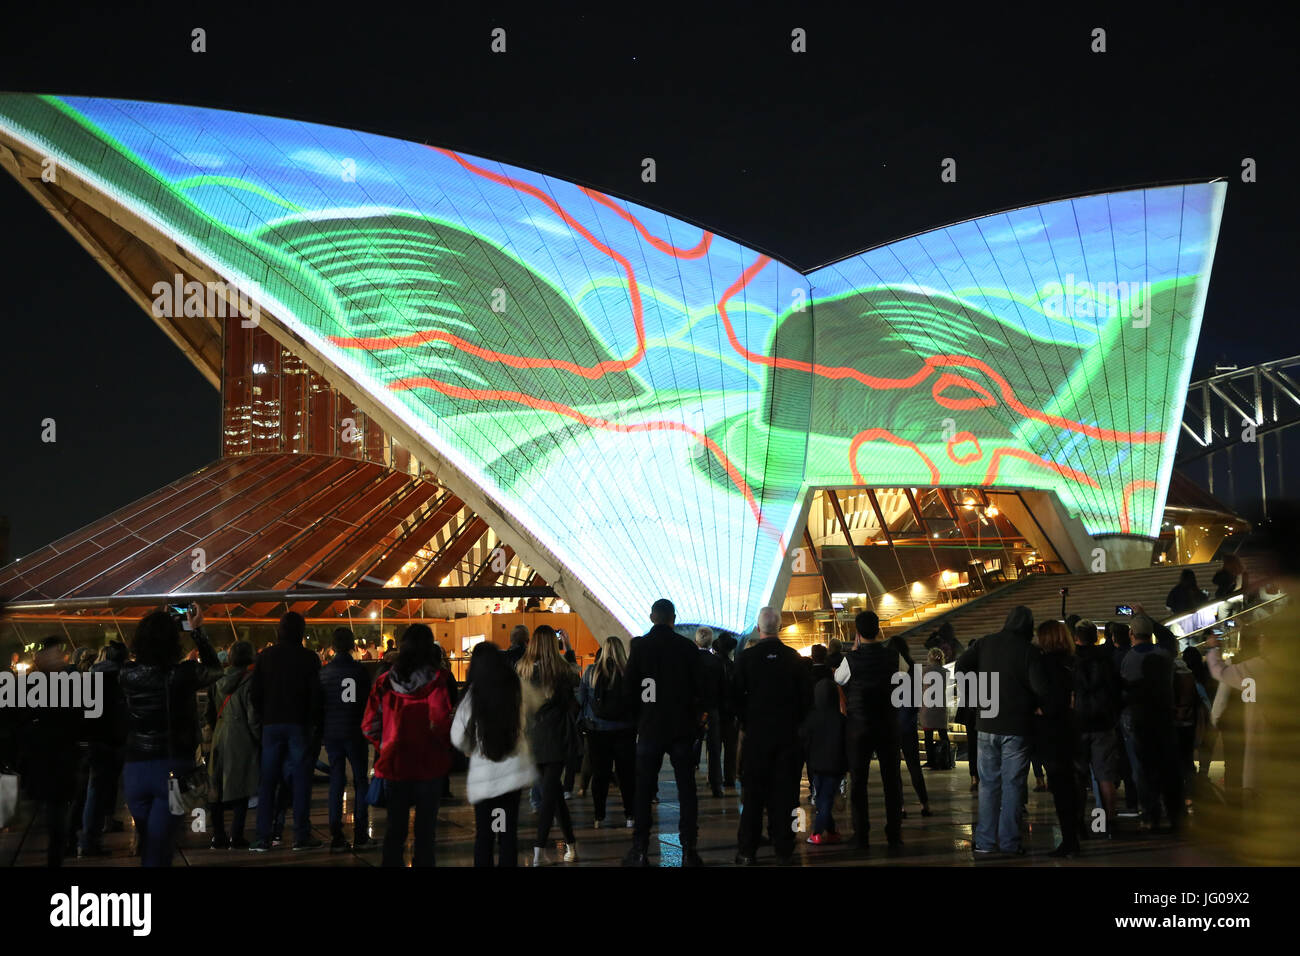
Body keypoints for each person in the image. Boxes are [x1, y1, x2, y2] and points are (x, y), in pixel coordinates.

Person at [118, 607, 222, 866]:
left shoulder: (126, 675)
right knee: (159, 849)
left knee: (151, 844)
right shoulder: (183, 674)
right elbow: (215, 669)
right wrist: (197, 631)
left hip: (135, 770)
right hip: (174, 770)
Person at [622, 598, 706, 867]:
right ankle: (689, 849)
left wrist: (639, 718)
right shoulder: (687, 648)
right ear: (674, 618)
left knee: (644, 789)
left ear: (651, 617)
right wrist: (696, 719)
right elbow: (699, 689)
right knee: (686, 789)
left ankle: (640, 847)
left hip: (649, 727)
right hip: (681, 728)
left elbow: (629, 690)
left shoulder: (640, 647)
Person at [363, 624, 454, 866]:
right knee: (425, 835)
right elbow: (442, 722)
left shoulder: (384, 682)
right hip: (429, 766)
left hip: (395, 764)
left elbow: (368, 724)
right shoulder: (437, 681)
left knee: (394, 832)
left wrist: (385, 744)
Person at [731, 607, 813, 864]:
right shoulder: (794, 658)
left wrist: (746, 722)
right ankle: (784, 846)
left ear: (759, 628)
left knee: (753, 795)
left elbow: (734, 697)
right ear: (779, 627)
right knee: (786, 794)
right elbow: (807, 701)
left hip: (757, 737)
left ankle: (747, 849)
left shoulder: (746, 659)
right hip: (788, 737)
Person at [956, 606, 1039, 856]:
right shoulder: (1029, 651)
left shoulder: (986, 643)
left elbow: (961, 665)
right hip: (1016, 725)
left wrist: (975, 694)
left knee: (988, 784)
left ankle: (984, 841)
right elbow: (1039, 686)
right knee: (1013, 785)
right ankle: (1009, 842)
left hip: (987, 723)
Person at [452, 642, 537, 866]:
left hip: (485, 776)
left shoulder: (473, 693)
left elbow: (457, 734)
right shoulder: (517, 685)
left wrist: (471, 749)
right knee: (508, 835)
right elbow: (536, 706)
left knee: (485, 835)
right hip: (513, 773)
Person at [249, 612, 323, 852]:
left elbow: (255, 693)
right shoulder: (309, 658)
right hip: (298, 724)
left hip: (271, 724)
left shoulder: (265, 657)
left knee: (268, 782)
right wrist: (313, 721)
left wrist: (264, 715)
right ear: (301, 632)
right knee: (301, 781)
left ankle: (262, 837)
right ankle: (301, 835)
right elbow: (315, 695)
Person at [834, 610, 905, 852]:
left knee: (859, 782)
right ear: (879, 630)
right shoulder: (893, 656)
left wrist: (854, 654)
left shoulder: (851, 660)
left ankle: (861, 834)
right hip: (887, 725)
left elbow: (838, 679)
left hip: (859, 727)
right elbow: (906, 677)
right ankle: (894, 835)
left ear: (857, 632)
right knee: (892, 781)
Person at [15, 637, 85, 866]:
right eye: (55, 652)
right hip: (48, 761)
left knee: (48, 821)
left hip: (51, 762)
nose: (59, 657)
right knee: (48, 821)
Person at [519, 624, 580, 864]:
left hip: (532, 738)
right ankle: (548, 847)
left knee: (549, 792)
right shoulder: (561, 670)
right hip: (556, 738)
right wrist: (570, 649)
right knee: (551, 795)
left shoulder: (522, 669)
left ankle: (550, 848)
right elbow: (576, 682)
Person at [1120, 613, 1184, 832]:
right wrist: (1151, 619)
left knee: (1144, 770)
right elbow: (1169, 640)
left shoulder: (1128, 659)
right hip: (1165, 717)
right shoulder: (1164, 654)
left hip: (1139, 719)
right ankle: (1175, 814)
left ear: (1131, 634)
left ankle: (1150, 814)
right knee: (1168, 768)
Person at [1030, 621, 1081, 857]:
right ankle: (1076, 833)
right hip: (1073, 729)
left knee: (1060, 787)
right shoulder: (1072, 660)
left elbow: (1051, 699)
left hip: (1053, 732)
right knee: (1071, 785)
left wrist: (1041, 710)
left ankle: (1069, 841)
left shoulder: (1046, 663)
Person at [319, 627, 372, 851]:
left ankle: (336, 834)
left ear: (332, 646)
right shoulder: (360, 671)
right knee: (360, 780)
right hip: (355, 731)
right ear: (352, 645)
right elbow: (367, 702)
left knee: (336, 781)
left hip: (332, 732)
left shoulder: (324, 673)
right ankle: (360, 832)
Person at [579, 636, 637, 829]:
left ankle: (599, 816)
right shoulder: (630, 672)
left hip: (597, 730)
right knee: (626, 775)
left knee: (600, 774)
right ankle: (630, 815)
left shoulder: (590, 672)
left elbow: (583, 701)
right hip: (625, 730)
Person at [206, 641, 259, 849]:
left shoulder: (216, 678)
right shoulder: (250, 680)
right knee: (241, 788)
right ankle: (236, 835)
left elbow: (208, 712)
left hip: (220, 734)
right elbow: (253, 715)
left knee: (215, 789)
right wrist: (259, 738)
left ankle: (218, 835)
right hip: (241, 737)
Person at [79, 640, 128, 858]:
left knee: (94, 791)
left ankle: (89, 840)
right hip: (118, 741)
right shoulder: (122, 678)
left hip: (94, 742)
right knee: (126, 789)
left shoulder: (90, 677)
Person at [1071, 619, 1121, 835]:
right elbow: (1116, 690)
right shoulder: (1106, 659)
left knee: (1078, 778)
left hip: (1078, 724)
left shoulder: (1071, 661)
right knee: (1105, 777)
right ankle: (1109, 823)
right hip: (1103, 723)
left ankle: (1079, 824)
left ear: (1076, 637)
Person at [801, 649, 846, 846]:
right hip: (837, 766)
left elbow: (806, 741)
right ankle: (832, 831)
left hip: (818, 765)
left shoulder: (812, 719)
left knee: (823, 800)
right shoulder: (841, 720)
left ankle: (817, 832)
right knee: (826, 796)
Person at [891, 634, 931, 818]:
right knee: (914, 765)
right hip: (908, 722)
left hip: (891, 724)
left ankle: (900, 807)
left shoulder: (889, 668)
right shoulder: (914, 668)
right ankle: (925, 804)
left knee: (893, 768)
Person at [693, 626, 727, 798]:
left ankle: (689, 782)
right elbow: (722, 689)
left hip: (694, 710)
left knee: (691, 745)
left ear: (696, 641)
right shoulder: (717, 662)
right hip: (712, 709)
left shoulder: (690, 660)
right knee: (714, 749)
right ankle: (716, 785)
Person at [713, 633, 740, 789]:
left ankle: (715, 779)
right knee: (731, 748)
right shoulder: (733, 667)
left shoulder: (713, 665)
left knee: (715, 748)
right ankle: (729, 778)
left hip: (716, 711)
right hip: (731, 713)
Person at [921, 648, 952, 769]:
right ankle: (947, 759)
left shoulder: (925, 671)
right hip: (940, 706)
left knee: (928, 736)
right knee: (943, 735)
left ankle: (931, 761)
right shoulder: (946, 672)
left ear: (930, 657)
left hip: (927, 707)